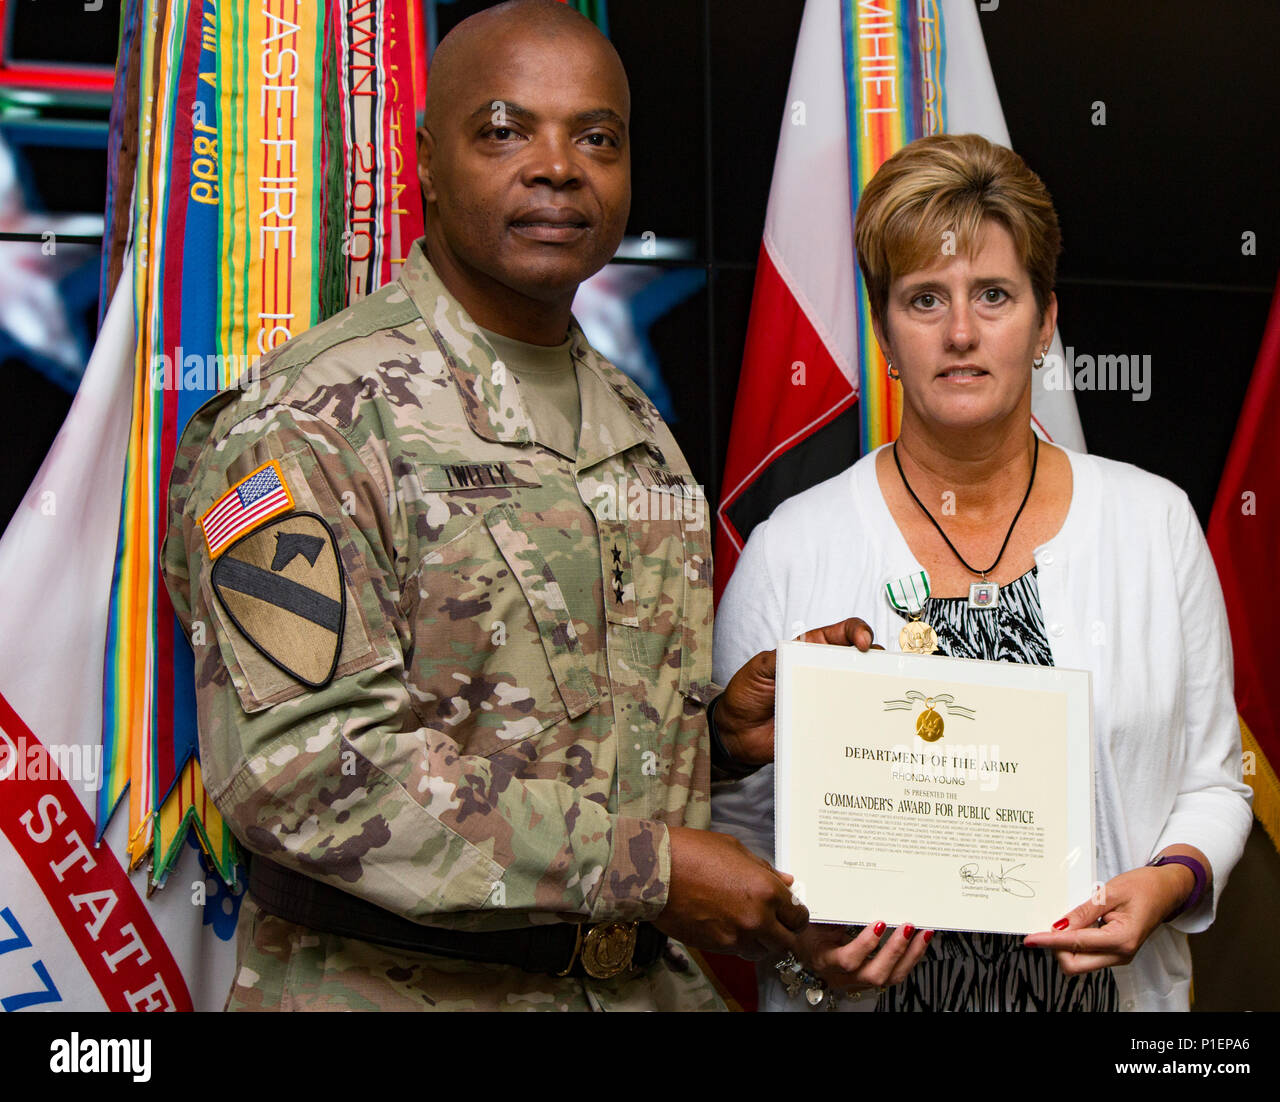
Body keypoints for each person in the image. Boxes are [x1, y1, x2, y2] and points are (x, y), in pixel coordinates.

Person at [162, 0, 819, 1011]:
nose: (558, 167)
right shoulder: (313, 420)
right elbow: (307, 773)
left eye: (596, 138)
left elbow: (546, 722)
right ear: (426, 159)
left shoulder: (632, 418)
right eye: (506, 131)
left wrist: (718, 742)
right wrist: (646, 869)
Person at [711, 132, 1253, 1012]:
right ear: (883, 331)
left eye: (993, 295)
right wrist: (804, 946)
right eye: (925, 299)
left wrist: (1169, 883)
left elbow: (1212, 784)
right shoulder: (792, 547)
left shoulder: (1154, 524)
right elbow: (733, 824)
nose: (961, 333)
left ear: (1044, 321)